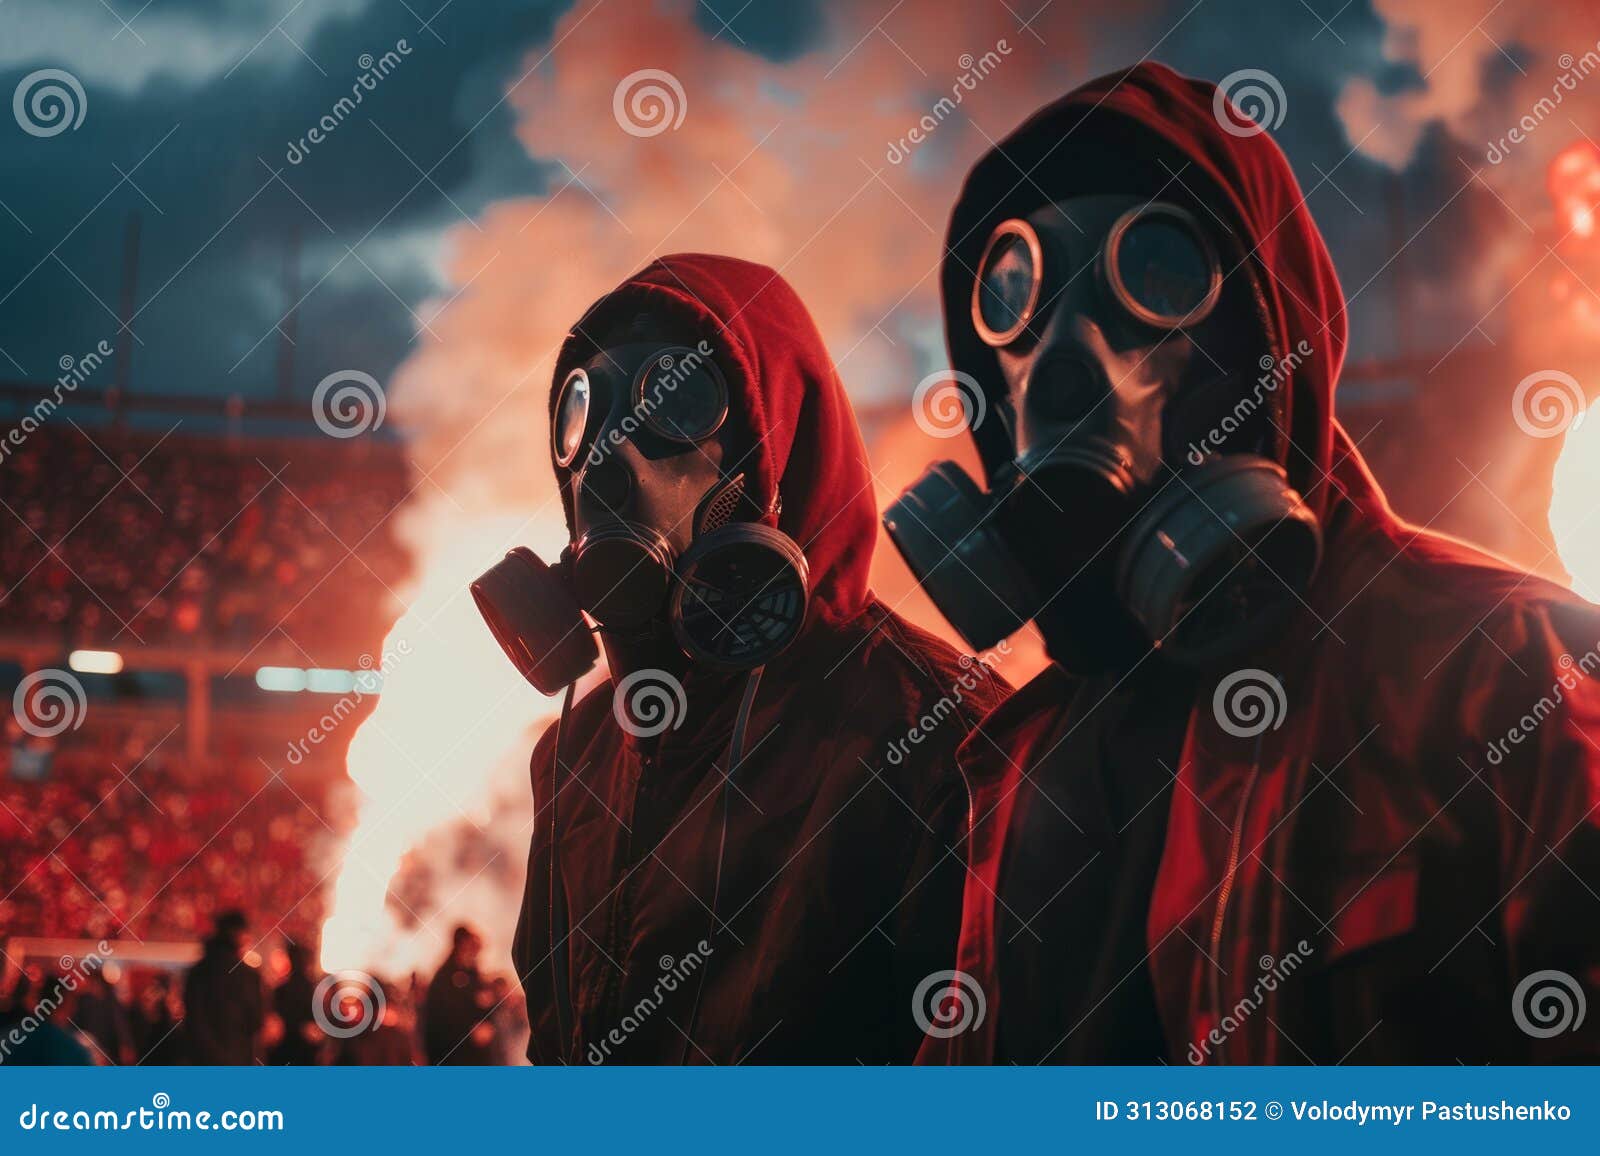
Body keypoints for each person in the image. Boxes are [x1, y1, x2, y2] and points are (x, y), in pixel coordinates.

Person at [892, 61, 1600, 1064]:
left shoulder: (1509, 669)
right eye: (1017, 300)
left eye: (1156, 278)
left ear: (1269, 341)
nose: (1064, 356)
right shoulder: (1024, 759)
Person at [476, 254, 1009, 1063]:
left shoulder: (944, 746)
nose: (609, 459)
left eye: (676, 404)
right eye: (584, 415)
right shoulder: (575, 754)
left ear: (779, 450)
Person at [182, 909, 264, 1064]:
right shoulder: (247, 975)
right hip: (237, 1060)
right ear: (239, 935)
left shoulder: (197, 973)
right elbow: (255, 1020)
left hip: (201, 1061)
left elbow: (192, 1018)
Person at [423, 925, 495, 1064]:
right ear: (460, 944)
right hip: (452, 1056)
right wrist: (470, 1031)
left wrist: (487, 1025)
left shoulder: (476, 976)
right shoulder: (444, 977)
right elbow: (440, 1017)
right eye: (471, 946)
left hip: (476, 1057)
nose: (474, 952)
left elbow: (486, 1004)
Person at [269, 941, 324, 1065]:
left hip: (284, 1050)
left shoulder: (281, 990)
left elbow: (276, 1023)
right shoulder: (314, 989)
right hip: (306, 1052)